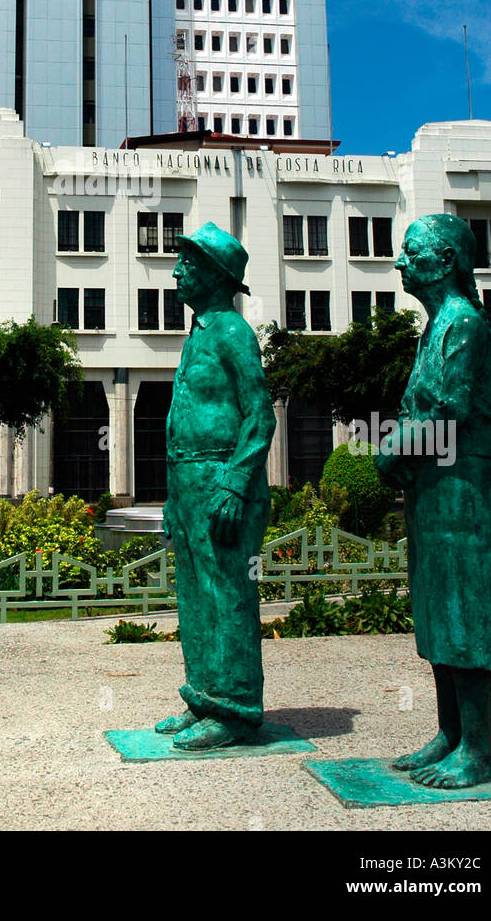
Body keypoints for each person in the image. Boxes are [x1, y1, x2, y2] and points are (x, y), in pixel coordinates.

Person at [374, 214, 491, 788]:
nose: (400, 262)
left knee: (464, 612)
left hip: (460, 491)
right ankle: (451, 733)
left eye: (411, 251)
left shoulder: (462, 323)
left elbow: (447, 411)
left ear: (446, 260)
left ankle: (478, 749)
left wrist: (389, 449)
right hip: (433, 490)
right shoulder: (436, 326)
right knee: (437, 611)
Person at [155, 221, 276, 751]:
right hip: (189, 482)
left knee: (227, 593)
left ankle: (236, 709)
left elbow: (260, 415)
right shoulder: (200, 332)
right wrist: (172, 497)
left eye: (187, 264)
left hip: (223, 480)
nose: (178, 272)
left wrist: (234, 482)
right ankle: (204, 697)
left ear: (214, 275)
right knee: (194, 596)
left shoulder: (231, 331)